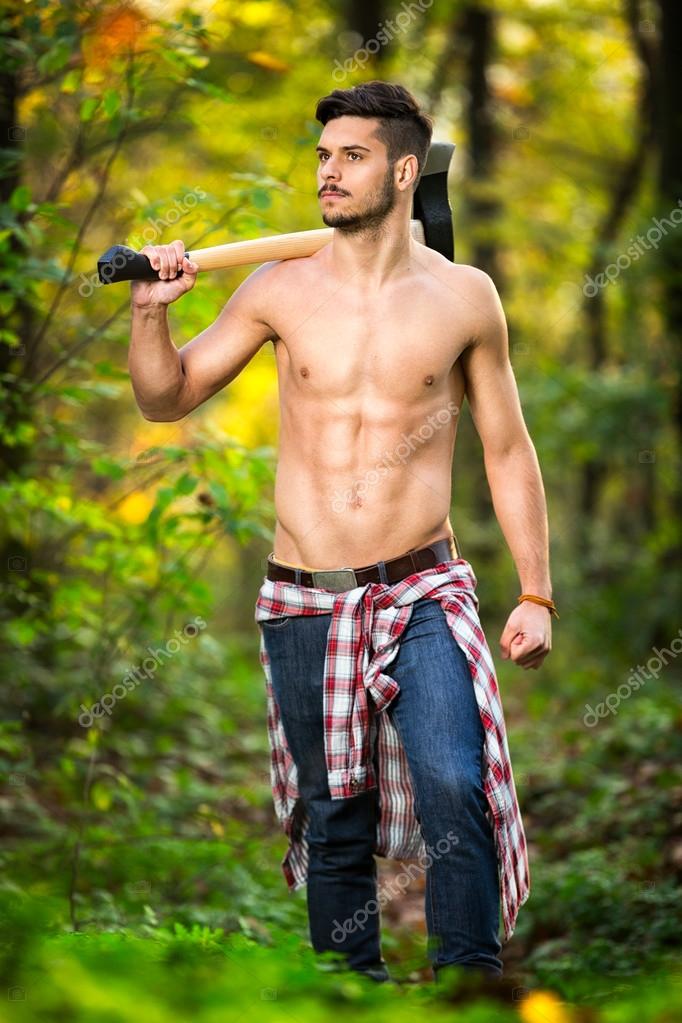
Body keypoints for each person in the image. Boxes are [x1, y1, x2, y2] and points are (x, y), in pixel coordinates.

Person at [127, 80, 557, 986]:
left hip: (422, 586)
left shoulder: (465, 298)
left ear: (406, 171)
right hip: (305, 593)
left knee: (455, 784)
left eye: (351, 155)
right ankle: (343, 998)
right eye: (323, 156)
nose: (328, 172)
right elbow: (166, 398)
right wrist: (148, 317)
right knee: (336, 817)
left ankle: (470, 988)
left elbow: (509, 450)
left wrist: (535, 590)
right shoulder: (277, 289)